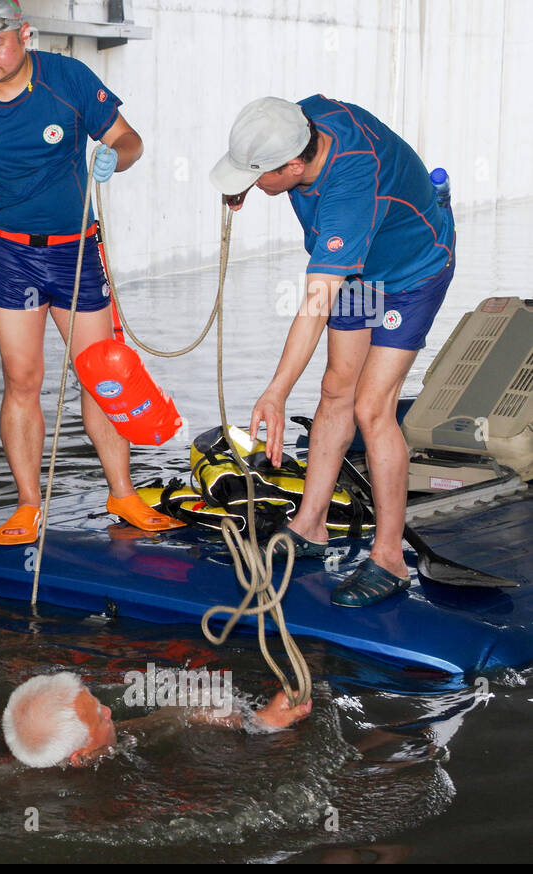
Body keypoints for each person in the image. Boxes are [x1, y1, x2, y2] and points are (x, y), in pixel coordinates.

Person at [0, 0, 184, 545]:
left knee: (101, 375)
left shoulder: (66, 78)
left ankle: (124, 494)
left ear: (25, 36)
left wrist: (118, 154)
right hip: (10, 254)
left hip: (75, 252)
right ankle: (28, 506)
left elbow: (129, 138)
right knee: (22, 380)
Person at [209, 96, 455, 607]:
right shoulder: (299, 119)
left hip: (410, 274)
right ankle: (311, 526)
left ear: (293, 165)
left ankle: (388, 557)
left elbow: (316, 303)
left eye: (258, 177)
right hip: (360, 273)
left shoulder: (349, 188)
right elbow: (269, 153)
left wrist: (275, 392)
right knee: (335, 389)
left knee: (371, 407)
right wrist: (244, 184)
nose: (253, 182)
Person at [2, 671, 311, 768]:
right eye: (100, 716)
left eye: (98, 703)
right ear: (80, 757)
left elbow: (181, 712)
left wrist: (258, 720)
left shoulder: (91, 748)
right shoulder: (96, 804)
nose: (109, 712)